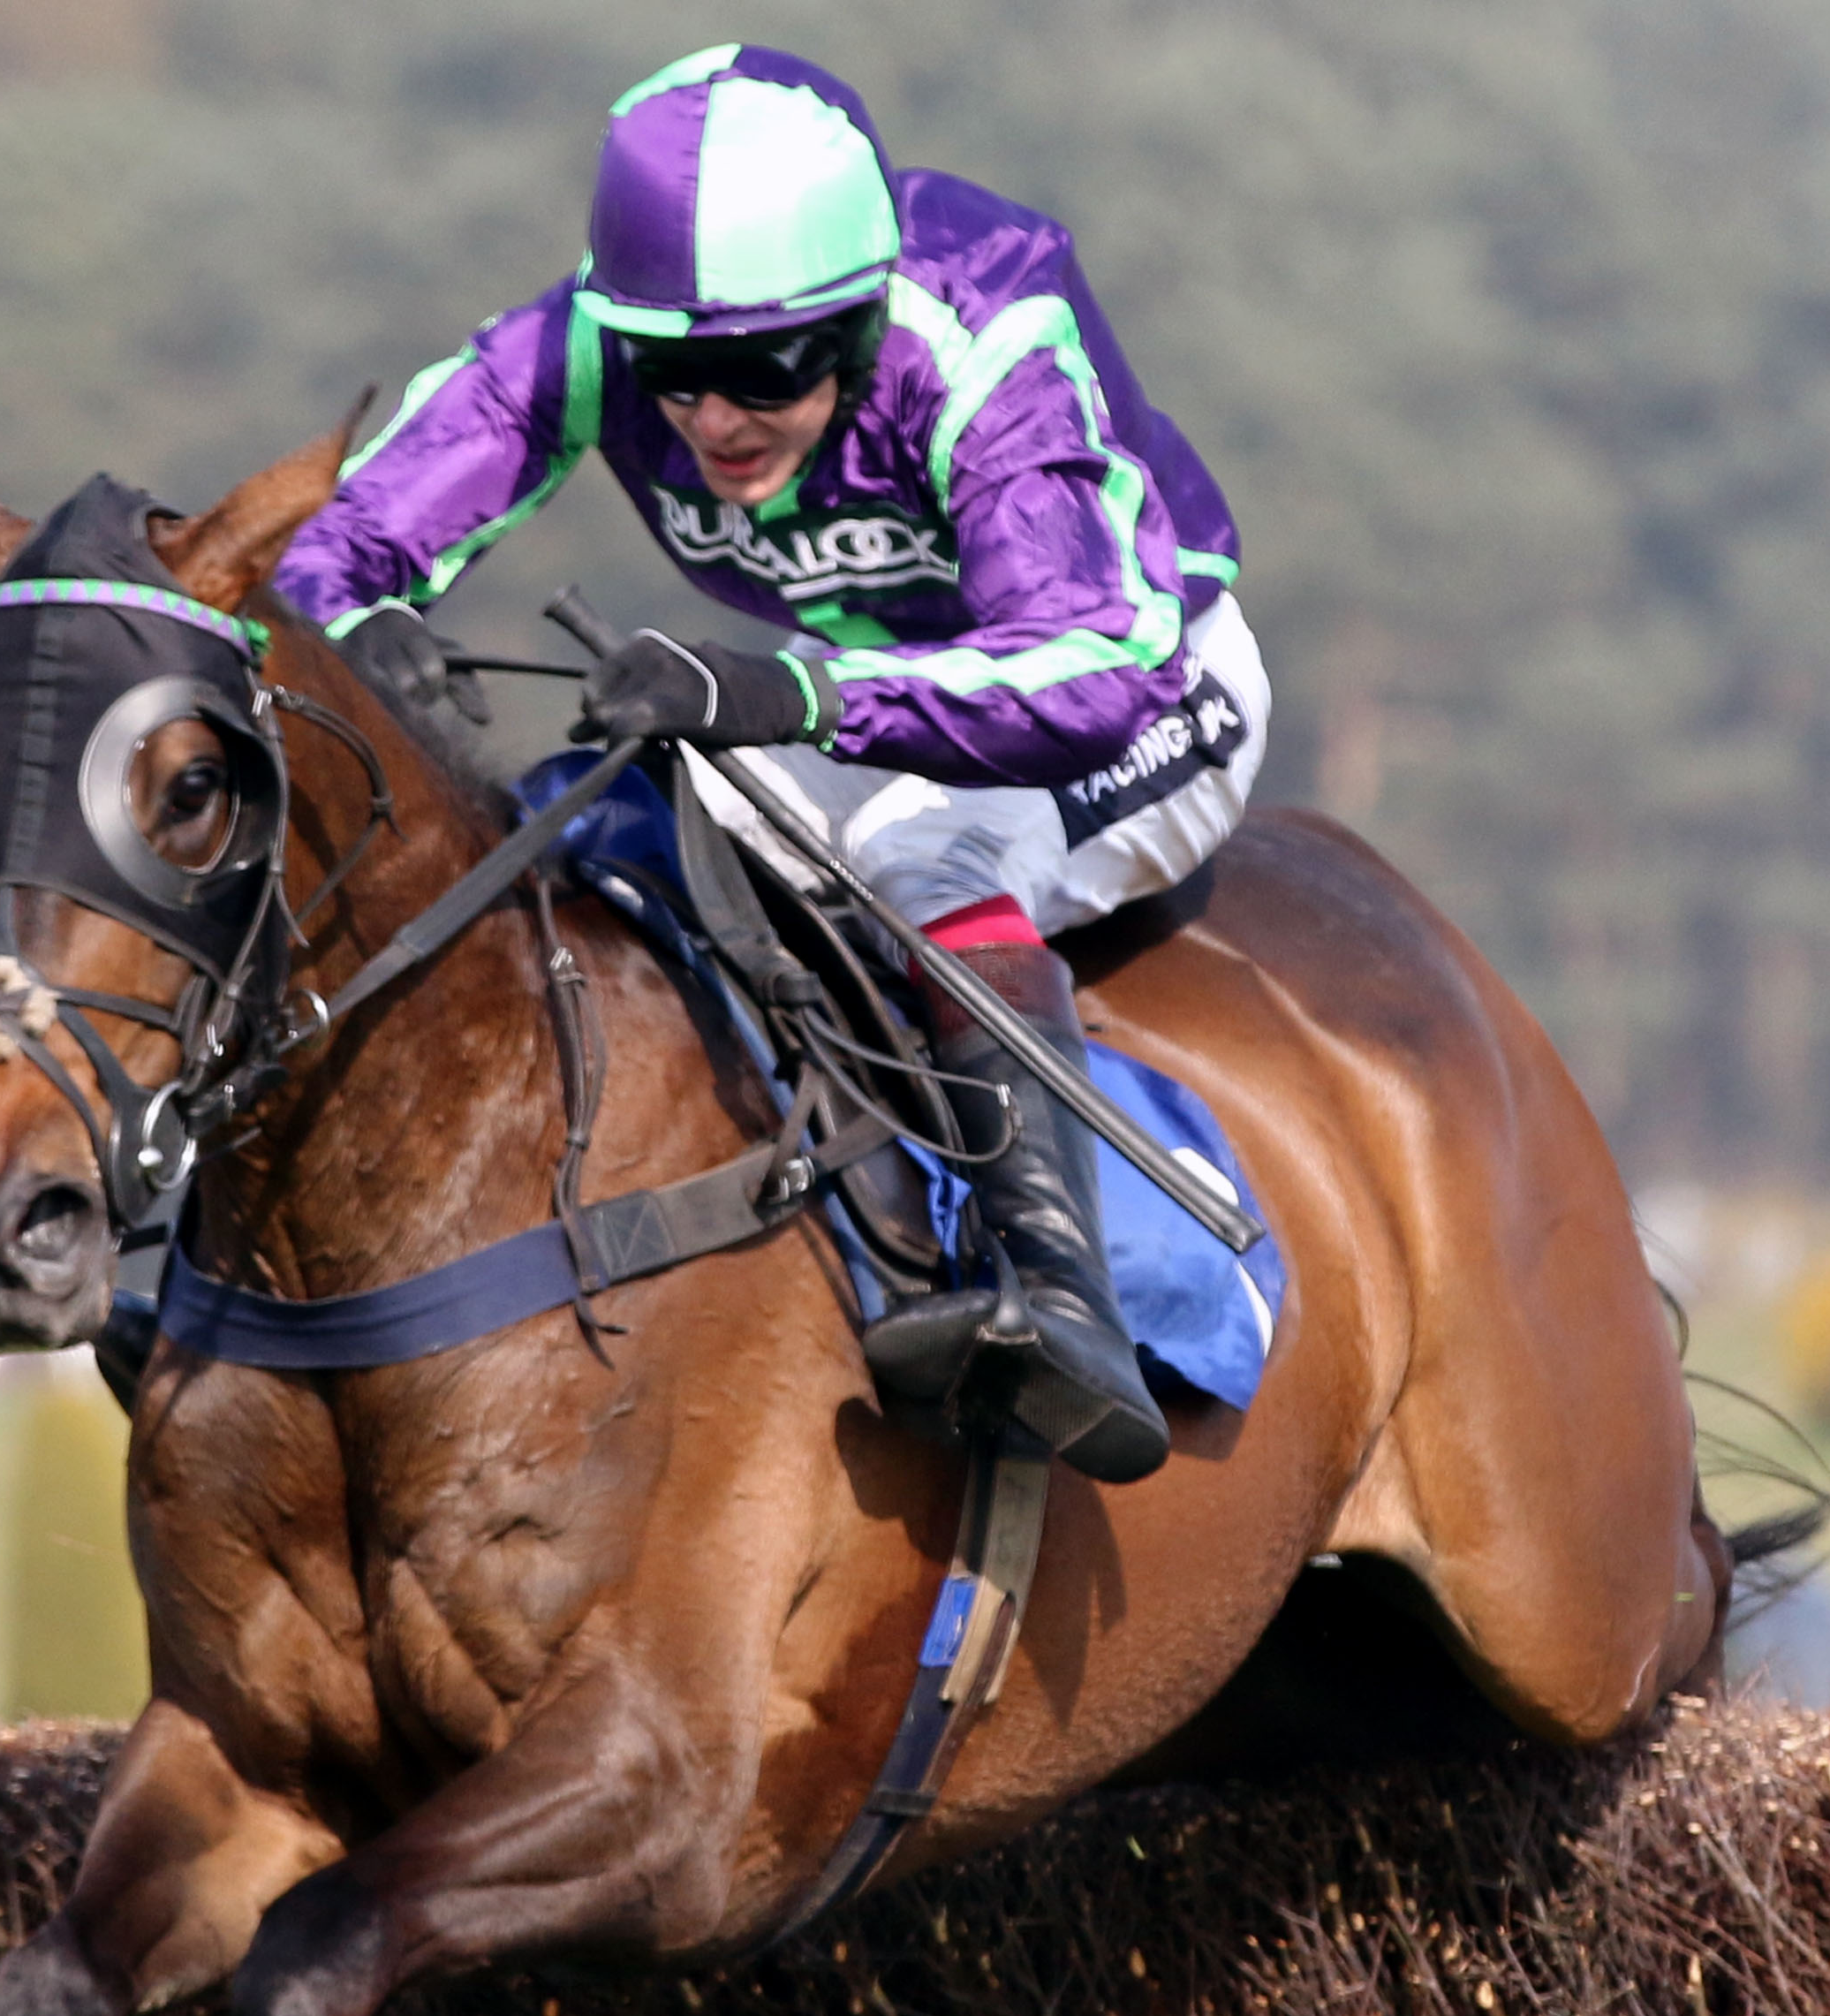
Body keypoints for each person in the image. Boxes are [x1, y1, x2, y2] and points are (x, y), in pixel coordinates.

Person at [277, 43, 1265, 1485]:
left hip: (1145, 694)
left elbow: (1088, 674)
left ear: (859, 321)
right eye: (672, 377)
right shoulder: (592, 337)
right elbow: (323, 546)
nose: (712, 421)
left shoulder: (985, 335)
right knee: (576, 838)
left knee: (926, 857)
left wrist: (786, 690)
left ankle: (1065, 1303)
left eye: (759, 373)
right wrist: (357, 625)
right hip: (866, 703)